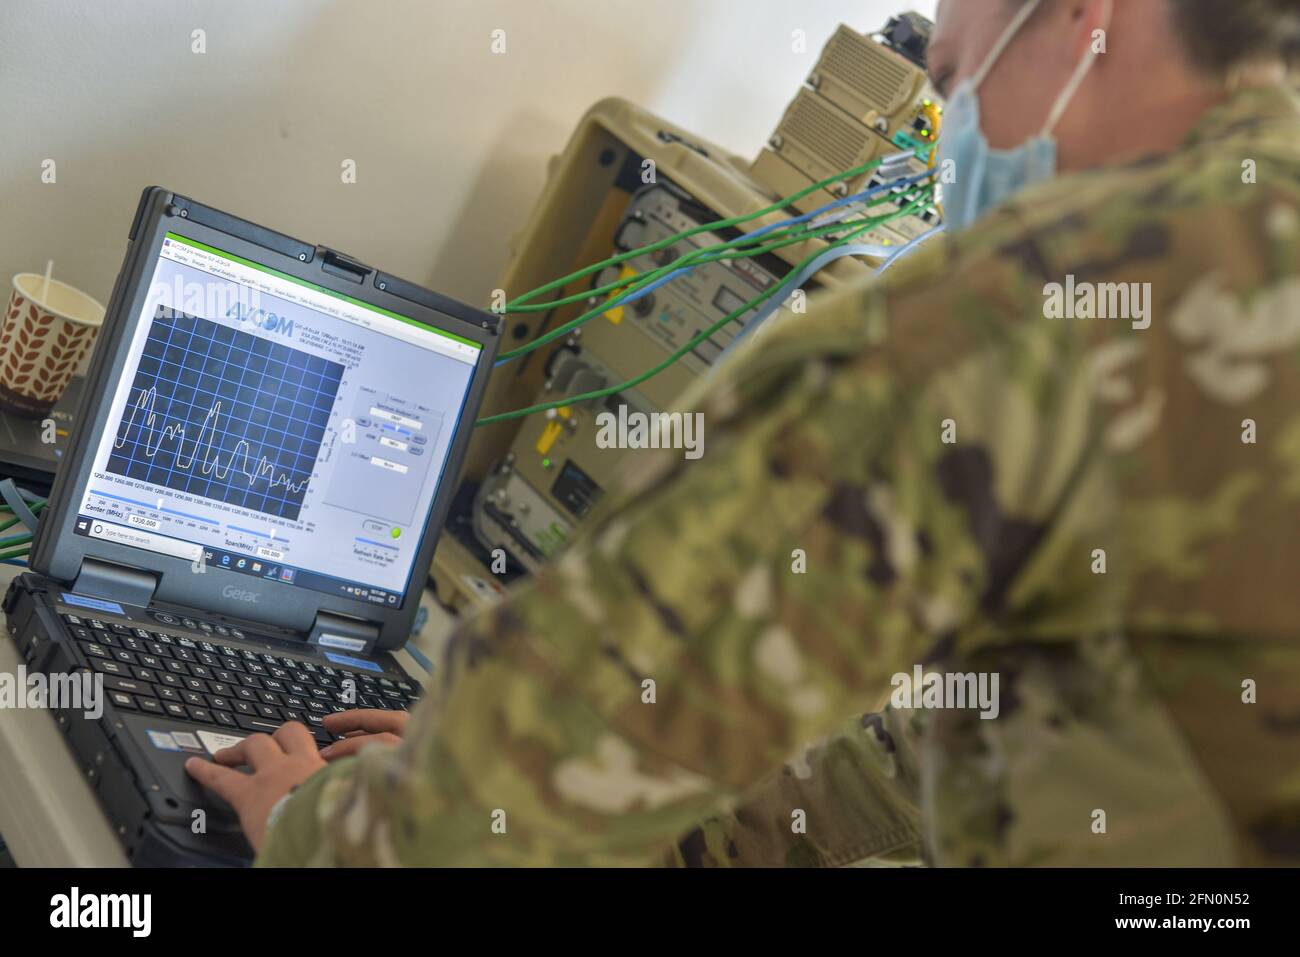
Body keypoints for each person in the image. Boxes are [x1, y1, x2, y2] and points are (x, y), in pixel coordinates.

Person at [187, 0, 1300, 866]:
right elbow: (965, 761)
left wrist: (321, 823)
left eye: (952, 81)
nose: (955, 127)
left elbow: (454, 842)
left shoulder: (1013, 315)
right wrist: (662, 802)